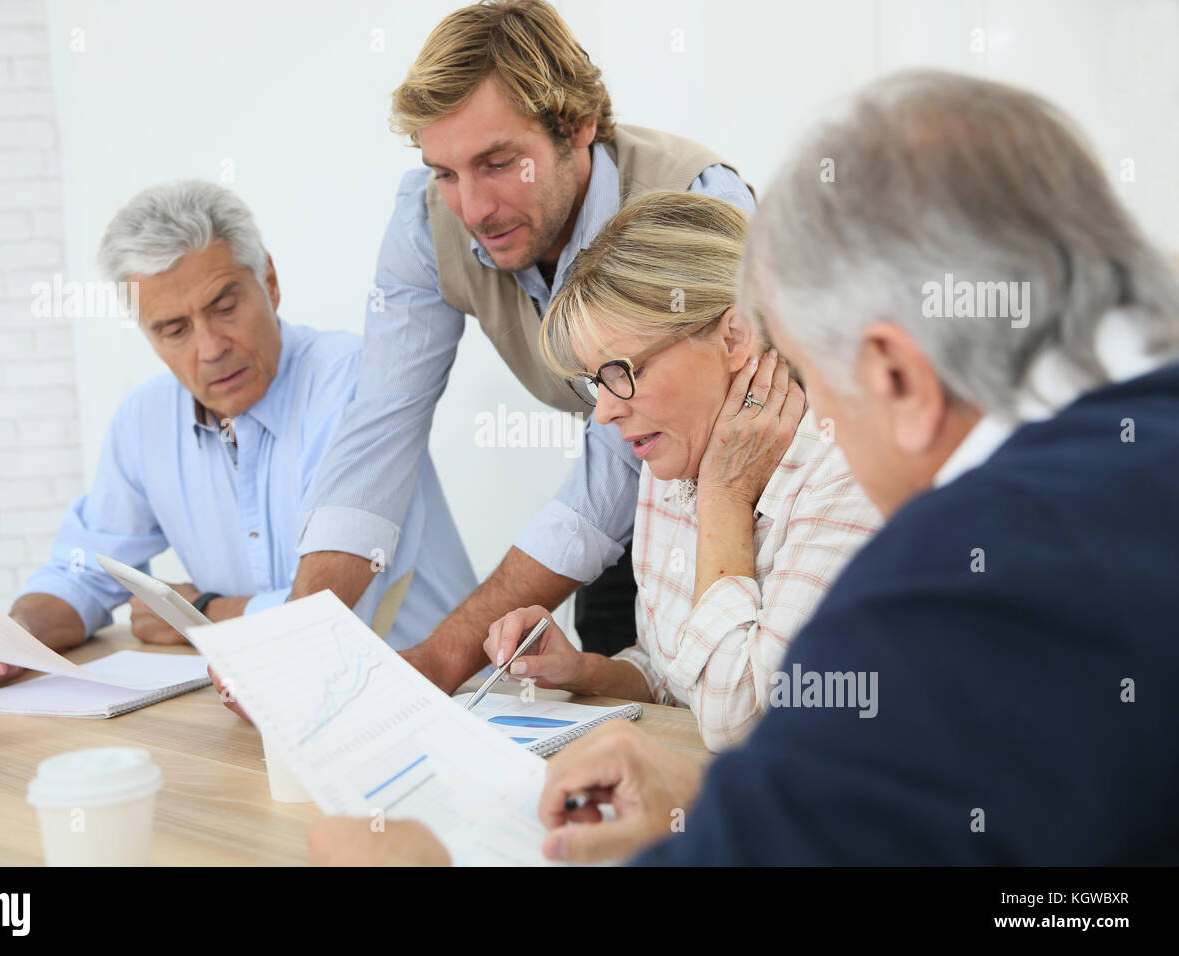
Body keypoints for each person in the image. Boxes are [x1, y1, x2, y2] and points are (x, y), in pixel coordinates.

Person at [307, 69, 1179, 865]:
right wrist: (678, 762)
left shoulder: (944, 582)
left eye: (814, 375)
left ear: (898, 379)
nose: (812, 413)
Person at [281, 0, 756, 675]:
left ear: (579, 125)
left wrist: (445, 658)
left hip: (758, 509)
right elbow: (381, 429)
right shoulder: (425, 225)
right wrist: (297, 637)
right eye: (444, 172)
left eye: (498, 163)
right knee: (619, 700)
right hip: (639, 487)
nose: (472, 210)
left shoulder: (695, 200)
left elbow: (620, 465)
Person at [0, 181, 476, 687]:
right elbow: (83, 574)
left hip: (434, 693)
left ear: (269, 280)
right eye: (173, 329)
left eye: (225, 307)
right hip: (269, 699)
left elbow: (331, 611)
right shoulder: (143, 421)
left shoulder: (355, 382)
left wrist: (201, 612)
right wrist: (9, 637)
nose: (210, 347)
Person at [480, 191, 880, 752]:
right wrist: (585, 672)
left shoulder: (848, 477)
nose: (605, 409)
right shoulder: (672, 456)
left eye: (623, 371)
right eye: (597, 380)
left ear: (734, 338)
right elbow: (674, 674)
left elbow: (737, 722)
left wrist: (725, 495)